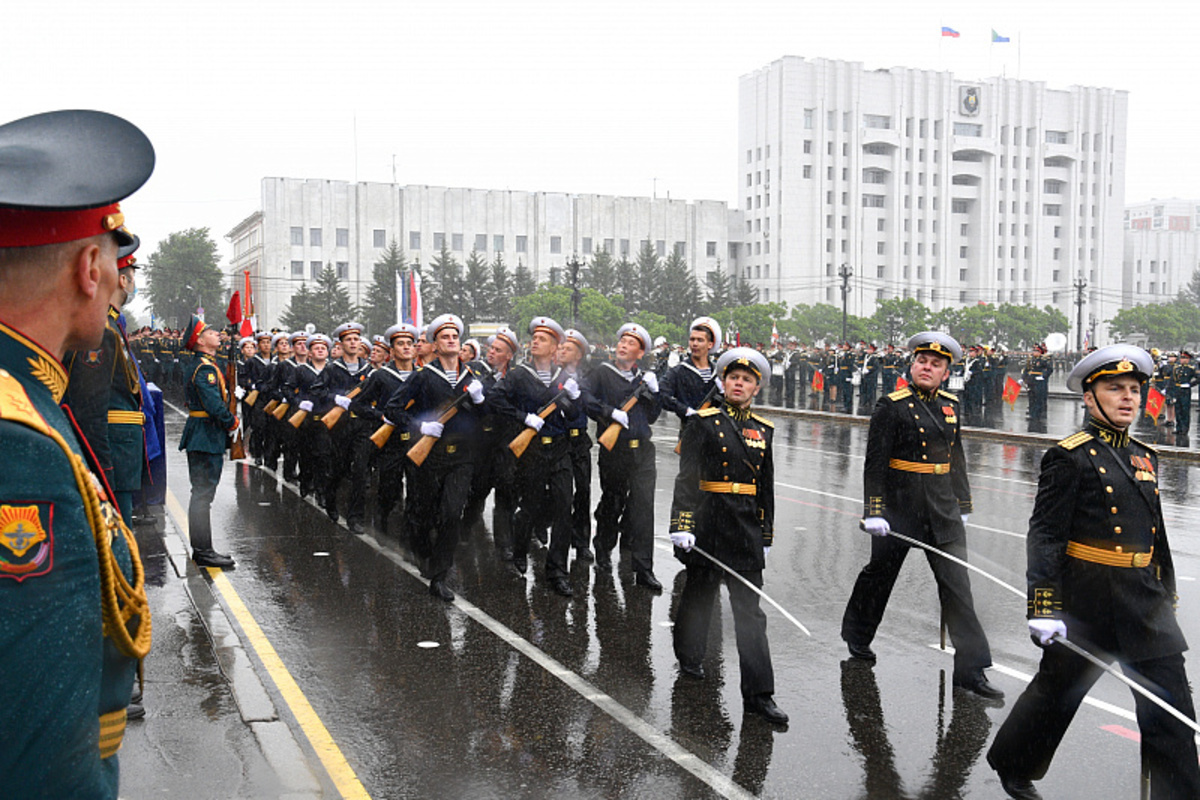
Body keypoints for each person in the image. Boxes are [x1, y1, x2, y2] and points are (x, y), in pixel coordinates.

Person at [0, 109, 155, 798]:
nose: (122, 281)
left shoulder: (28, 395)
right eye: (115, 260)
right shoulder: (19, 447)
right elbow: (39, 757)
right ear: (90, 268)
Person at [987, 345, 1200, 800]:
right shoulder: (1070, 456)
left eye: (1134, 389)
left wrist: (1167, 593)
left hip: (1144, 603)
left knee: (1173, 713)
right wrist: (1042, 606)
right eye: (1114, 388)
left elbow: (1156, 535)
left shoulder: (1146, 456)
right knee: (1056, 694)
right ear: (1089, 398)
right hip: (1086, 601)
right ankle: (1013, 765)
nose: (1127, 397)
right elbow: (1045, 535)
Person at [840, 331, 1003, 701]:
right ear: (912, 365)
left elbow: (955, 458)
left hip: (942, 510)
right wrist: (874, 511)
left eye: (936, 365)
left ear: (946, 373)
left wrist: (964, 505)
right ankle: (858, 636)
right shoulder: (891, 405)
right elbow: (875, 464)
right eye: (922, 362)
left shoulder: (950, 405)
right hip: (899, 509)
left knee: (957, 586)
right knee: (879, 576)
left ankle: (971, 670)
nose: (927, 368)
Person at [669, 347, 787, 726]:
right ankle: (689, 656)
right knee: (699, 595)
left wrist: (765, 531)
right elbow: (687, 478)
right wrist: (682, 524)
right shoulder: (702, 423)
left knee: (750, 614)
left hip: (745, 530)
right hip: (708, 523)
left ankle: (759, 696)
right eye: (734, 377)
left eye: (747, 380)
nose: (739, 383)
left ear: (756, 388)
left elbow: (765, 486)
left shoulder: (763, 431)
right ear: (723, 381)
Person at [383, 314, 487, 601]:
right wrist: (419, 426)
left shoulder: (474, 378)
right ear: (435, 345)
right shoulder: (423, 376)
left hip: (461, 457)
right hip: (430, 457)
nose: (451, 340)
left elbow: (487, 420)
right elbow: (393, 409)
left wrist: (480, 401)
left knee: (452, 513)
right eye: (445, 337)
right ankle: (422, 553)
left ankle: (441, 575)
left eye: (455, 336)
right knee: (423, 512)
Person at [487, 316, 580, 596]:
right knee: (531, 505)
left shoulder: (564, 377)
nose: (535, 342)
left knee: (564, 507)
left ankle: (557, 572)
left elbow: (576, 418)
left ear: (555, 348)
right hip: (533, 449)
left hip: (560, 449)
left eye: (542, 339)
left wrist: (574, 401)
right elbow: (495, 399)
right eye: (534, 338)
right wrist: (523, 417)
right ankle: (519, 550)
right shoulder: (518, 374)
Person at [63, 234, 149, 527]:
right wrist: (103, 467)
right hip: (111, 454)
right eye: (133, 276)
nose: (134, 283)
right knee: (116, 542)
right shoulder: (100, 330)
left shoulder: (110, 326)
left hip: (121, 453)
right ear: (123, 281)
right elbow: (89, 409)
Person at [586, 322, 663, 590]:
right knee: (613, 501)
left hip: (642, 450)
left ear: (640, 353)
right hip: (615, 450)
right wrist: (609, 413)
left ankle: (643, 568)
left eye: (631, 343)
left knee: (643, 509)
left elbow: (652, 417)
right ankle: (603, 546)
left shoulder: (644, 379)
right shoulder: (601, 373)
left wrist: (654, 394)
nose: (623, 345)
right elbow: (585, 399)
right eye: (622, 341)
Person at [179, 315, 239, 569]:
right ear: (201, 341)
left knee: (203, 494)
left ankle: (204, 549)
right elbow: (213, 404)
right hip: (205, 435)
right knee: (203, 494)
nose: (217, 334)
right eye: (210, 332)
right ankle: (203, 551)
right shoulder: (204, 369)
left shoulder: (207, 364)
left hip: (205, 434)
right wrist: (231, 421)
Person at [558, 328, 595, 562]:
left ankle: (582, 542)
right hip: (558, 440)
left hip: (579, 439)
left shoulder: (587, 378)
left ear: (578, 355)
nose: (562, 350)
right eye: (561, 347)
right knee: (559, 494)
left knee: (583, 491)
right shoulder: (549, 374)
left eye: (568, 348)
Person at [1168, 350, 1195, 436]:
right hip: (1177, 390)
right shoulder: (1177, 368)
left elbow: (1198, 378)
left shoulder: (1191, 369)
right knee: (1178, 409)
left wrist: (1190, 384)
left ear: (1188, 359)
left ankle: (1184, 429)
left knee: (1185, 410)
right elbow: (1172, 380)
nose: (1182, 360)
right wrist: (1170, 390)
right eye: (1181, 358)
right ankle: (1179, 428)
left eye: (1184, 358)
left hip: (1185, 391)